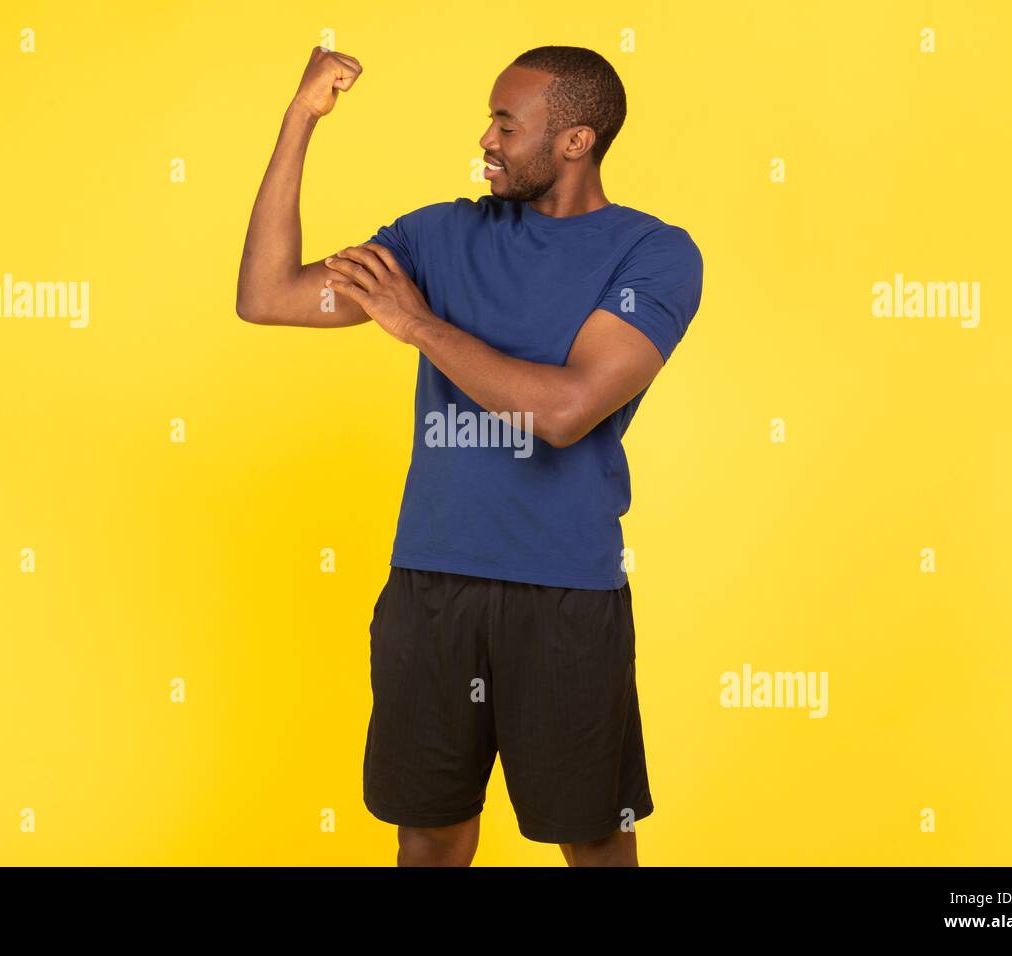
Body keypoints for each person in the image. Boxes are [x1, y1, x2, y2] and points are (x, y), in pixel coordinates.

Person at [236, 44, 703, 866]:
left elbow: (564, 411)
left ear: (574, 141)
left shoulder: (654, 254)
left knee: (593, 839)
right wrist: (300, 119)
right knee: (429, 835)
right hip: (431, 585)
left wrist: (415, 324)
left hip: (564, 592)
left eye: (504, 123)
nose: (485, 139)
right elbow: (267, 296)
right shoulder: (436, 235)